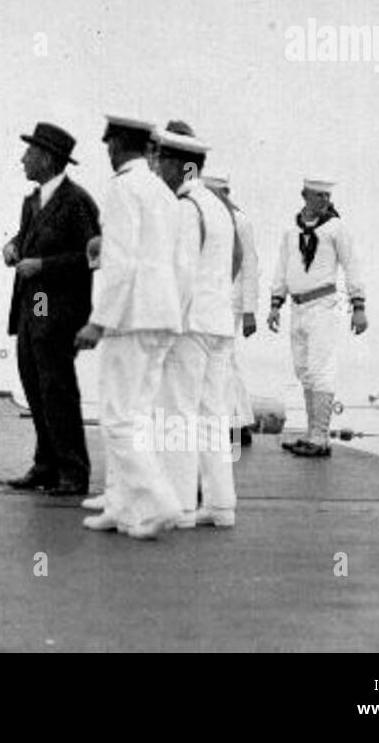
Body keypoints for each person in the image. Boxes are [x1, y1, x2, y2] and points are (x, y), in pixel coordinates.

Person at [74, 115, 185, 539]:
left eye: (109, 145)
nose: (107, 151)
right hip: (162, 314)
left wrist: (99, 322)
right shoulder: (161, 190)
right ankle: (122, 508)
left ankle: (161, 501)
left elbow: (122, 262)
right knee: (136, 417)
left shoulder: (123, 188)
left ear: (117, 145)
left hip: (131, 317)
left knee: (118, 419)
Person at [3, 122, 102, 497]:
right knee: (35, 383)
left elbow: (92, 256)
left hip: (58, 306)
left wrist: (43, 266)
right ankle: (46, 464)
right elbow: (28, 238)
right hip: (35, 304)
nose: (23, 159)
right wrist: (14, 246)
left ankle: (73, 472)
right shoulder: (32, 201)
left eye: (29, 153)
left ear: (46, 158)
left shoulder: (77, 201)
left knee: (57, 388)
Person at [154, 129, 238, 528]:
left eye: (163, 163)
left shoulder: (187, 207)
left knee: (178, 415)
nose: (158, 170)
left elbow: (182, 273)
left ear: (180, 165)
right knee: (212, 416)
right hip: (220, 323)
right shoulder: (218, 204)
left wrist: (168, 324)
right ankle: (221, 505)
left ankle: (180, 504)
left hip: (191, 326)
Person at [268, 178, 367, 457]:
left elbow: (352, 266)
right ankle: (311, 433)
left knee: (321, 370)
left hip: (323, 306)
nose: (323, 201)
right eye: (318, 195)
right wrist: (276, 302)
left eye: (327, 196)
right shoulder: (290, 230)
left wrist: (358, 305)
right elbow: (282, 267)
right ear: (304, 195)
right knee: (304, 371)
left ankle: (320, 437)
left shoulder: (336, 228)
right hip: (298, 308)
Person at [203, 170, 259, 445]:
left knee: (222, 357)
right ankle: (239, 422)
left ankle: (233, 424)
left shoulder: (239, 220)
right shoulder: (213, 218)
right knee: (227, 358)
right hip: (215, 298)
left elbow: (250, 266)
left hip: (232, 300)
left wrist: (250, 311)